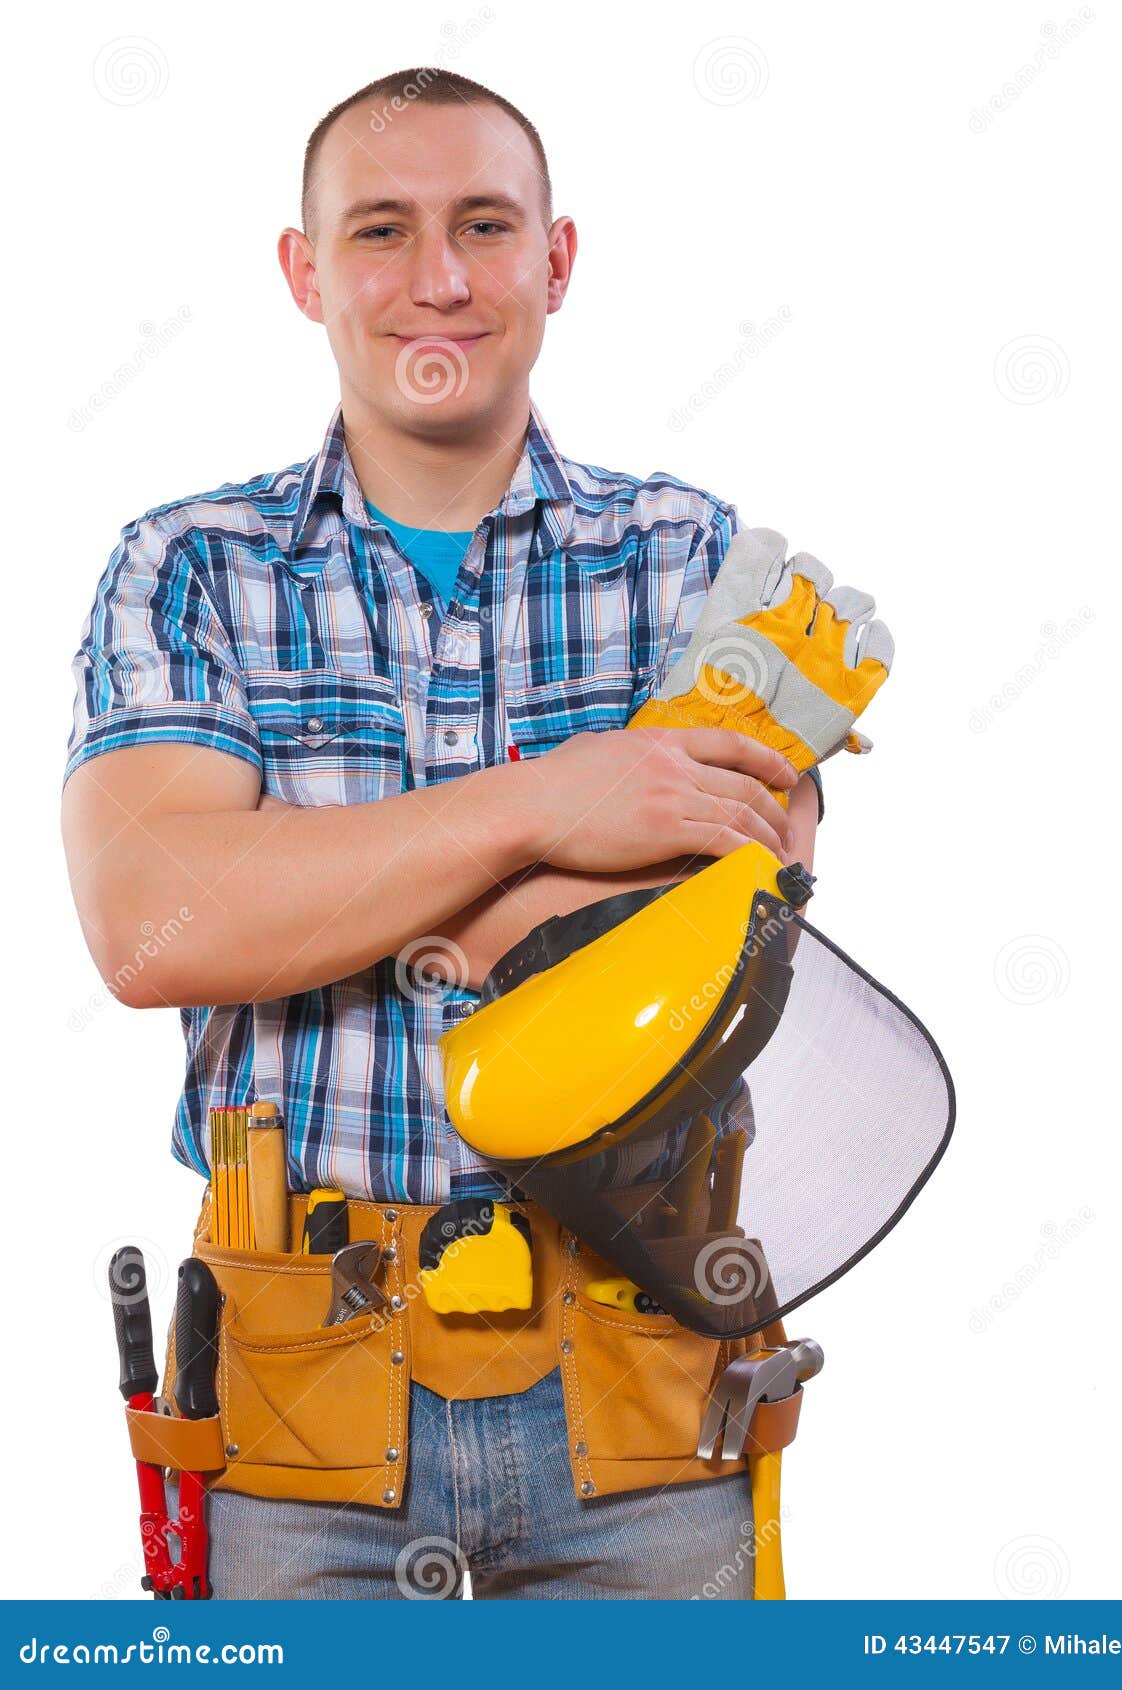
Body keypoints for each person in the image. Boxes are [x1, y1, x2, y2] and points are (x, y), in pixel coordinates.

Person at [62, 67, 822, 1600]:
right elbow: (156, 924)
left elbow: (737, 922)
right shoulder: (187, 568)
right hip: (298, 1397)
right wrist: (558, 805)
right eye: (383, 230)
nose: (440, 280)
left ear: (555, 258)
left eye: (485, 224)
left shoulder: (687, 561)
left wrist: (310, 876)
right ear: (306, 270)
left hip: (648, 1375)